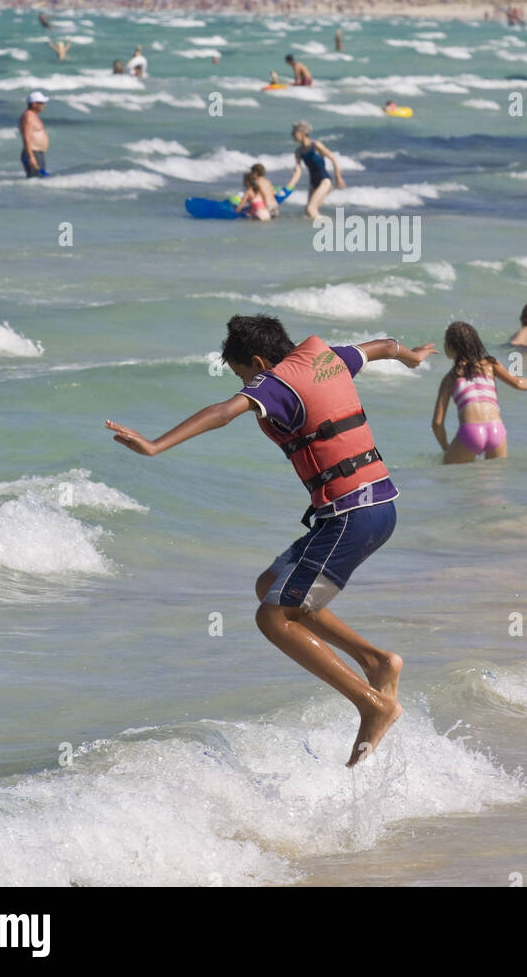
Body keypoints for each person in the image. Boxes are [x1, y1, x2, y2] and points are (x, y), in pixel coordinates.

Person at [106, 314, 437, 766]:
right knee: (272, 584)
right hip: (376, 509)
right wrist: (413, 358)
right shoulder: (328, 360)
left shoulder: (276, 383)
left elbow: (224, 412)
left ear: (260, 362)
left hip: (350, 517)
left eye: (244, 375)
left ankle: (372, 703)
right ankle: (377, 662)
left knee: (272, 618)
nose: (246, 385)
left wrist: (154, 446)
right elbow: (383, 345)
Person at [431, 321, 527, 464]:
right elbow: (518, 383)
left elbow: (437, 423)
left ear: (449, 347)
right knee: (494, 482)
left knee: (451, 478)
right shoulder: (490, 364)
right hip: (496, 429)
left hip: (470, 433)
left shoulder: (450, 378)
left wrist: (446, 449)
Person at [286, 121, 345, 220]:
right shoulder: (298, 152)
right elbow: (298, 171)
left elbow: (333, 158)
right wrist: (289, 187)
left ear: (303, 132)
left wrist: (338, 178)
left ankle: (329, 225)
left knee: (311, 208)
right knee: (308, 212)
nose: (292, 135)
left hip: (324, 181)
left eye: (294, 132)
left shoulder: (316, 145)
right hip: (313, 183)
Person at [19, 92, 50, 177]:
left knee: (41, 178)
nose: (43, 105)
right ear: (34, 104)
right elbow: (26, 137)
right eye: (41, 103)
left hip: (37, 153)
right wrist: (31, 157)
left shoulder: (33, 115)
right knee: (36, 179)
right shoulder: (28, 116)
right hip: (32, 153)